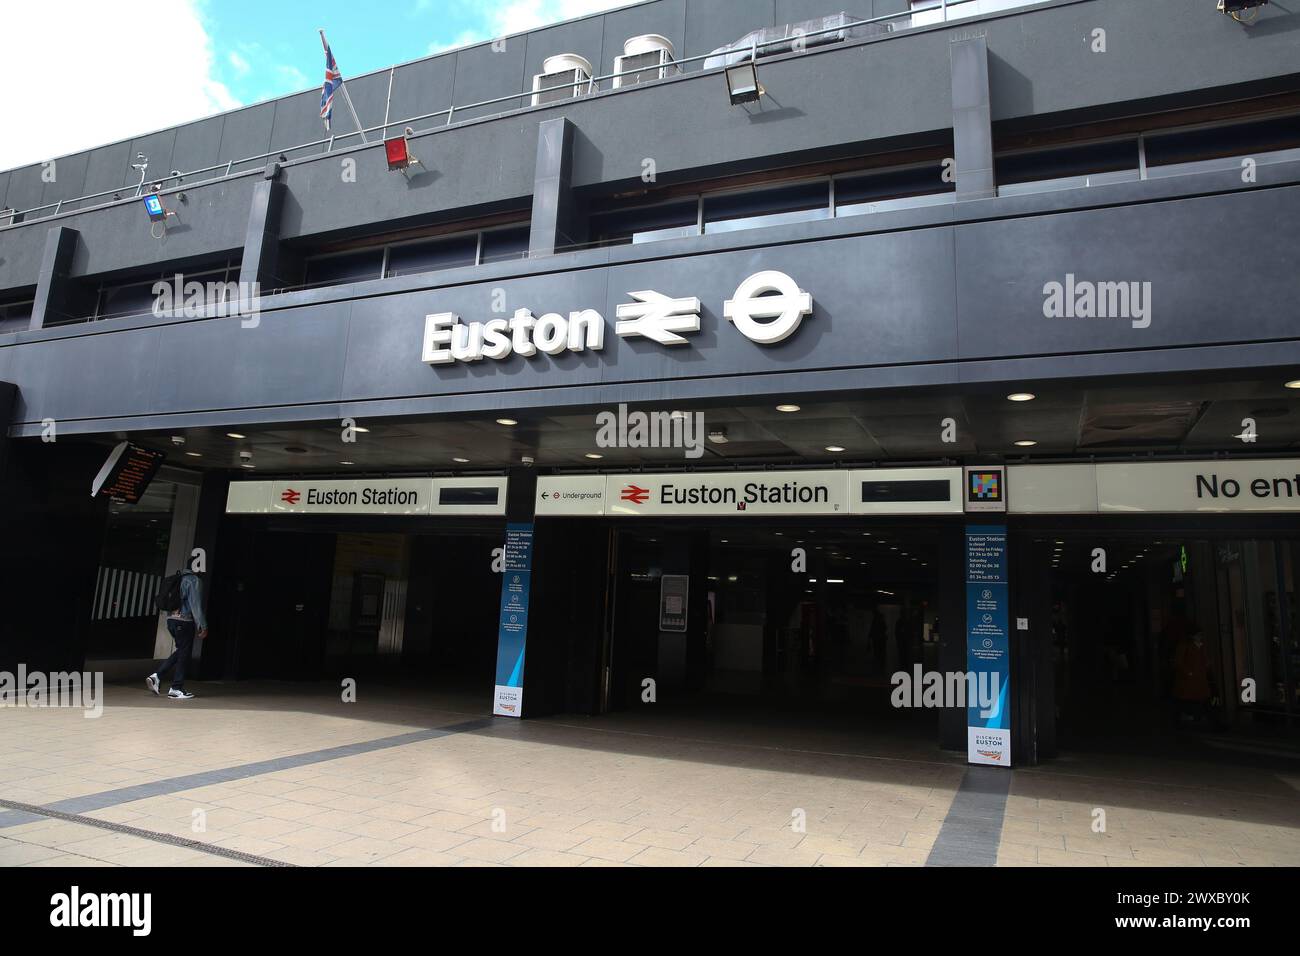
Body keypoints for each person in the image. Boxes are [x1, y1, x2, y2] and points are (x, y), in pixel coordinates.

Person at [146, 570, 207, 700]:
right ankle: (176, 688)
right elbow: (195, 604)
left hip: (171, 620)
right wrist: (202, 625)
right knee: (183, 654)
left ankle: (157, 676)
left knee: (181, 651)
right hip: (184, 621)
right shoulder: (193, 580)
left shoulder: (176, 579)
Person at [1172, 627, 1214, 726]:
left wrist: (1206, 665)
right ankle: (1200, 719)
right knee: (1192, 699)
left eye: (1201, 635)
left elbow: (1202, 659)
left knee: (1200, 699)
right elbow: (1178, 662)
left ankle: (1203, 719)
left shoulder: (1200, 646)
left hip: (1198, 678)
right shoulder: (1185, 646)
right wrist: (1188, 672)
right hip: (1190, 679)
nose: (1200, 637)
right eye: (1198, 635)